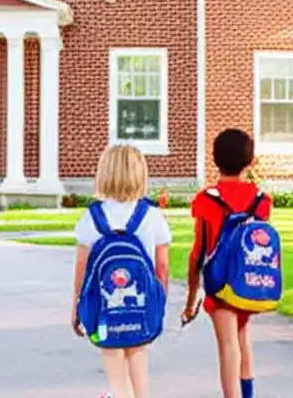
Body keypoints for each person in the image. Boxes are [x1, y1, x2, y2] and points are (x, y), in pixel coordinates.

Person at [72, 145, 172, 398]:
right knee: (138, 353)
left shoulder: (92, 217)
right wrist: (159, 300)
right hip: (140, 305)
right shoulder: (151, 215)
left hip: (105, 310)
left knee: (113, 354)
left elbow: (82, 270)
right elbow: (162, 266)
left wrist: (76, 307)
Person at [182, 129, 272, 398]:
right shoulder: (261, 200)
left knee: (228, 345)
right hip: (249, 281)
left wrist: (191, 298)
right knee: (242, 338)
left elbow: (199, 251)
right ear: (249, 161)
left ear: (214, 159)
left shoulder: (206, 200)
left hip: (220, 283)